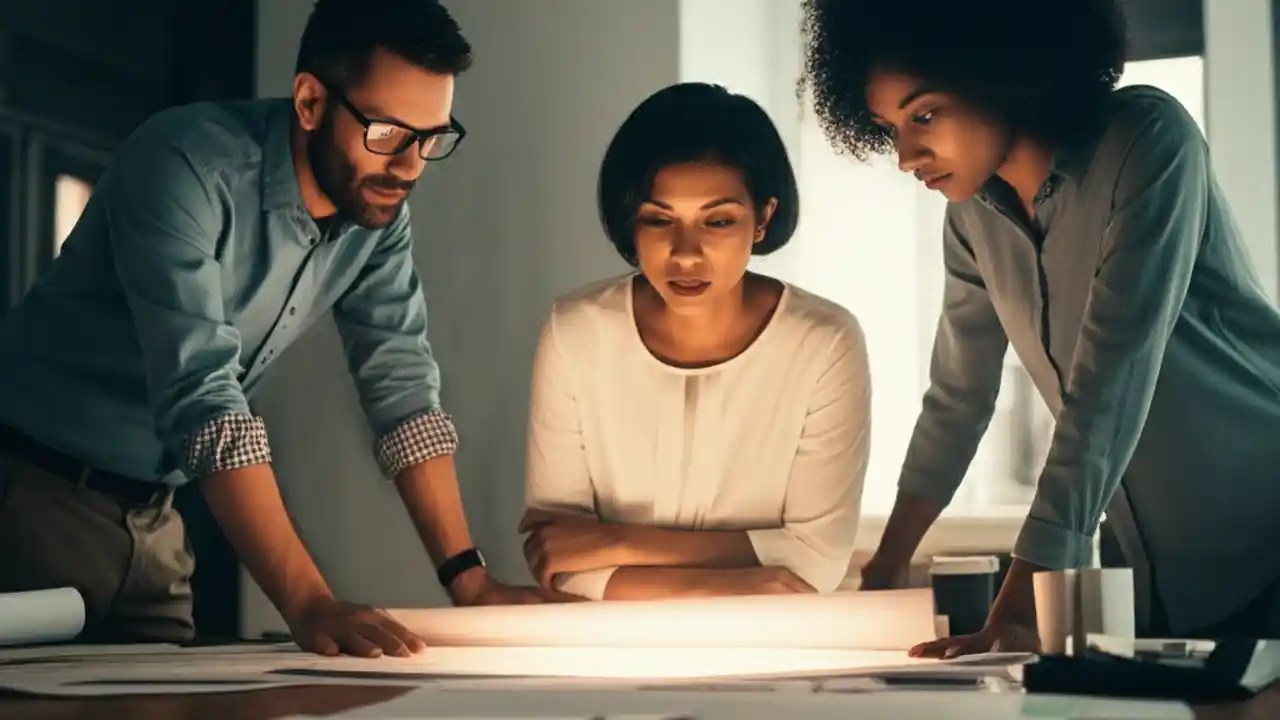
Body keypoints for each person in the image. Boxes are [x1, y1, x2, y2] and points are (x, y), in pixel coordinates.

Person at [0, 0, 563, 658]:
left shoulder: (376, 214)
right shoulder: (183, 164)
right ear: (309, 102)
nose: (409, 166)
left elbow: (403, 389)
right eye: (386, 132)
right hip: (32, 499)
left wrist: (469, 580)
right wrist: (306, 601)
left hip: (156, 519)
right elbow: (203, 396)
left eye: (430, 138)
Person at [800, 0, 1280, 655]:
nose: (907, 155)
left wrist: (1019, 600)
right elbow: (957, 400)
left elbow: (1110, 382)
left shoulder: (1147, 140)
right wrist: (886, 566)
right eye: (890, 128)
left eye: (926, 114)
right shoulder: (971, 220)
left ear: (999, 71)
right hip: (1173, 585)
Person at [519, 83, 871, 601]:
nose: (686, 254)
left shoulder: (823, 342)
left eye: (719, 221)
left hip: (774, 654)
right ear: (630, 220)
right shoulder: (575, 331)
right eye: (659, 220)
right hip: (605, 653)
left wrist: (615, 542)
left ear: (763, 219)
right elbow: (556, 558)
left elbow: (817, 558)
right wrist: (754, 577)